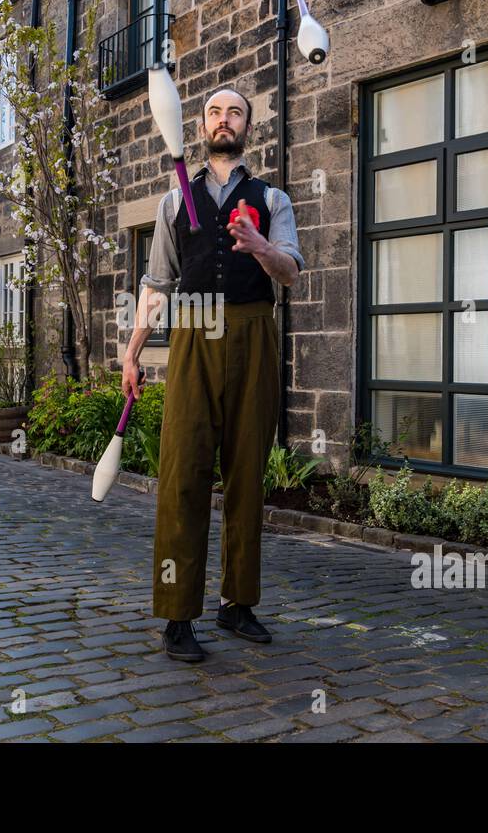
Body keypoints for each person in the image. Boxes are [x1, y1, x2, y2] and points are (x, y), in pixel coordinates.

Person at [124, 86, 304, 662]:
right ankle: (178, 615)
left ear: (249, 126)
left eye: (235, 113)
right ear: (200, 126)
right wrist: (132, 352)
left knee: (248, 470)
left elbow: (292, 272)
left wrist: (257, 247)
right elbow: (157, 286)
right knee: (184, 470)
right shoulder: (175, 201)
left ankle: (237, 604)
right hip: (194, 335)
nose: (223, 121)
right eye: (214, 113)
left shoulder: (272, 199)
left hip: (253, 334)